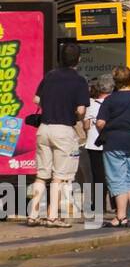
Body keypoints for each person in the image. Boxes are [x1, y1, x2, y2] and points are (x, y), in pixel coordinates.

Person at [29, 42, 90, 227]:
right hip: (63, 130)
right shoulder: (79, 80)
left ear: (59, 58)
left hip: (44, 129)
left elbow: (36, 99)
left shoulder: (50, 75)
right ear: (78, 59)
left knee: (42, 174)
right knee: (59, 175)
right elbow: (80, 110)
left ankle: (33, 214)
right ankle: (52, 217)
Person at [96, 66, 130, 228]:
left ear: (115, 82)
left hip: (115, 143)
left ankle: (120, 216)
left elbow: (100, 123)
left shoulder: (110, 100)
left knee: (117, 179)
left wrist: (103, 131)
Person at [77, 82, 111, 222]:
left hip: (93, 144)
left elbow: (85, 125)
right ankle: (115, 204)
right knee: (111, 174)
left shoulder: (90, 105)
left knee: (97, 176)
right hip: (110, 143)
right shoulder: (113, 103)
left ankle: (98, 205)